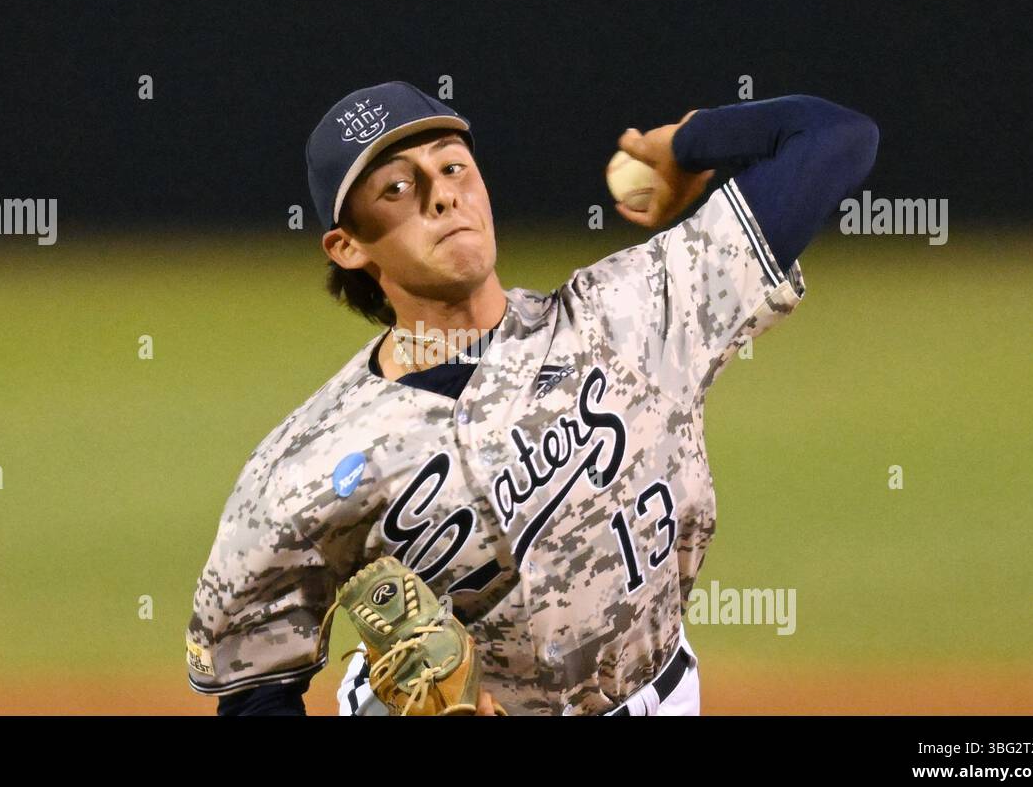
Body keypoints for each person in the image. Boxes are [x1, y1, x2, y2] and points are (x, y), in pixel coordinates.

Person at [187, 81, 877, 715]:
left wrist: (686, 144)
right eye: (397, 187)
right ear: (346, 246)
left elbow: (834, 138)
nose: (441, 195)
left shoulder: (636, 314)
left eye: (454, 166)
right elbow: (253, 688)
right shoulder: (304, 466)